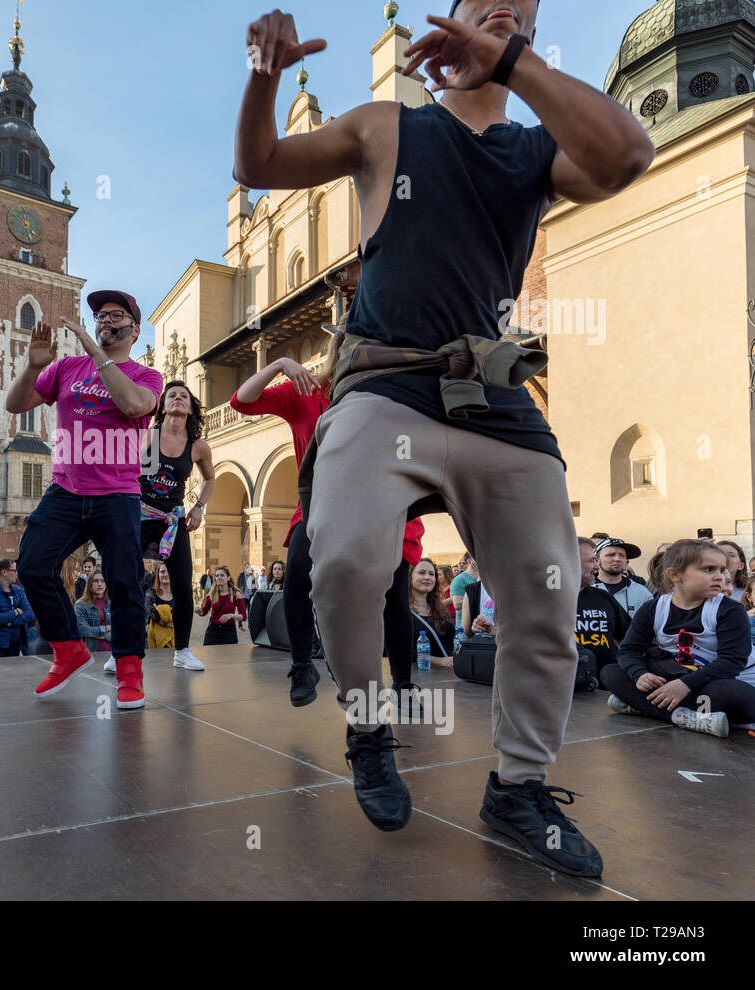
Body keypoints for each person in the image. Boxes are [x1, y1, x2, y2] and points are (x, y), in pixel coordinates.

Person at [238, 1, 655, 873]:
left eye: (519, 12)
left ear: (523, 39)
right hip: (385, 381)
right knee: (347, 556)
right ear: (445, 24)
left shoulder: (534, 150)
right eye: (481, 2)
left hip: (493, 394)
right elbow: (262, 164)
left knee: (550, 593)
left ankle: (518, 787)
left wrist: (514, 65)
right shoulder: (389, 126)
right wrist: (265, 76)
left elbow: (628, 154)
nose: (501, 8)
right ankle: (366, 725)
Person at [232, 351, 426, 706]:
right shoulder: (307, 390)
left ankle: (402, 683)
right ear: (340, 346)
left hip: (386, 502)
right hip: (322, 502)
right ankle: (302, 665)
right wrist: (279, 364)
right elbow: (242, 402)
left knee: (395, 594)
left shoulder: (390, 390)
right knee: (298, 569)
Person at [4, 290, 163, 709]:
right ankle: (68, 650)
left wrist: (96, 350)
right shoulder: (66, 369)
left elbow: (133, 405)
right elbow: (14, 403)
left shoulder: (148, 377)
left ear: (134, 327)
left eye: (114, 315)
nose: (104, 321)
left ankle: (129, 672)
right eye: (99, 316)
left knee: (125, 583)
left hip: (117, 494)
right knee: (33, 566)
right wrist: (34, 366)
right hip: (66, 491)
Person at [603, 540, 755, 736]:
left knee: (729, 692)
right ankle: (685, 716)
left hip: (709, 684)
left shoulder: (730, 610)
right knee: (611, 672)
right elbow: (629, 650)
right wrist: (640, 675)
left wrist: (685, 685)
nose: (719, 576)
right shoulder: (653, 608)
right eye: (708, 569)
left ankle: (645, 706)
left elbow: (732, 662)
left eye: (721, 569)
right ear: (675, 575)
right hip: (670, 681)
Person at [139, 380, 216, 671]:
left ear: (191, 406)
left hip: (173, 520)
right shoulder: (148, 435)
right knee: (128, 580)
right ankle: (123, 650)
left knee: (183, 585)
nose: (178, 398)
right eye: (172, 395)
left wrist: (198, 507)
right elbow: (126, 466)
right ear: (163, 405)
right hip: (141, 514)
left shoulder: (198, 447)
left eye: (184, 395)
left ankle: (182, 650)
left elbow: (210, 479)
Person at [574, 537, 631, 678]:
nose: (597, 566)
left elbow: (630, 637)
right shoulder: (547, 601)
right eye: (591, 561)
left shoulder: (603, 597)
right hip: (568, 688)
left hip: (606, 687)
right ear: (571, 561)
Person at [0, 559, 35, 658]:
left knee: (13, 672)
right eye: (14, 570)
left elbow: (30, 613)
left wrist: (11, 623)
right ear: (4, 572)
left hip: (15, 642)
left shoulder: (19, 591)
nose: (17, 574)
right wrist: (16, 611)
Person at [591, 537, 653, 619]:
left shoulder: (642, 593)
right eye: (611, 555)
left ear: (627, 562)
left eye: (622, 555)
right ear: (597, 560)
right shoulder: (584, 590)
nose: (617, 559)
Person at [408, 559, 454, 663]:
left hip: (449, 675)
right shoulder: (401, 612)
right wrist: (439, 661)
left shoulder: (440, 608)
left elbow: (451, 643)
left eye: (432, 574)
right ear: (409, 576)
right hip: (419, 675)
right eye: (421, 573)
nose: (427, 577)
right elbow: (399, 650)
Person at [198, 565, 248, 645]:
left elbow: (243, 617)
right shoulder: (211, 594)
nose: (219, 577)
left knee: (228, 656)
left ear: (228, 578)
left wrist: (231, 615)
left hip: (228, 631)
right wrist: (198, 610)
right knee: (209, 656)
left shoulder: (236, 594)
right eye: (217, 575)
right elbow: (203, 612)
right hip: (213, 630)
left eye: (222, 575)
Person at [75, 572, 112, 655]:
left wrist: (102, 635)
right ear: (90, 584)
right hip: (90, 653)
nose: (99, 584)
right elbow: (83, 630)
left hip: (111, 654)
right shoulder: (81, 605)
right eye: (96, 581)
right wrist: (105, 629)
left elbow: (120, 631)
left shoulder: (113, 603)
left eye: (103, 581)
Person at [146, 561, 176, 649]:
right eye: (162, 572)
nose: (165, 574)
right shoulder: (151, 592)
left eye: (168, 571)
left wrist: (159, 610)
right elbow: (150, 611)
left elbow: (183, 613)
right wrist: (168, 623)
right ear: (157, 575)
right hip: (156, 639)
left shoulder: (177, 594)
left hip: (175, 639)